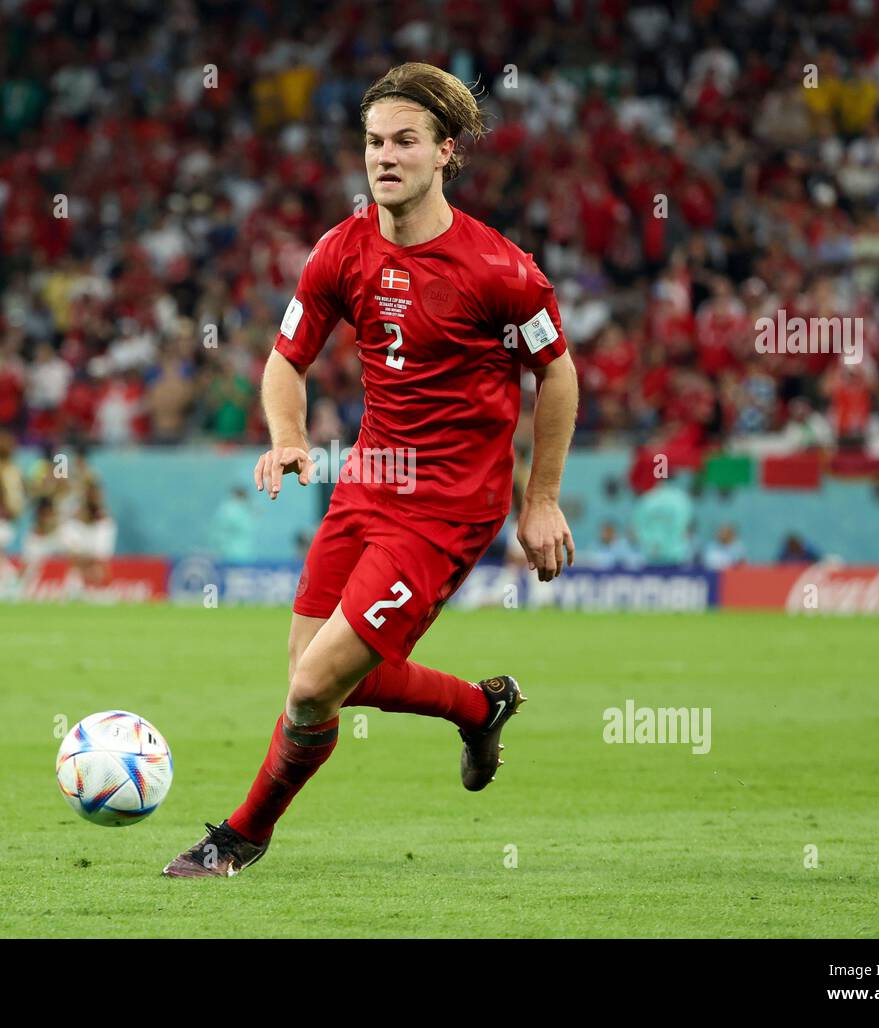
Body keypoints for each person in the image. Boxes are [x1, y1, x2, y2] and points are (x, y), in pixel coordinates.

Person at [163, 63, 579, 878]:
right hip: (364, 486)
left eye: (405, 142)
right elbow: (286, 362)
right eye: (373, 142)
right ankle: (480, 705)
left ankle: (241, 836)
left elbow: (557, 374)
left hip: (448, 510)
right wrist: (286, 435)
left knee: (315, 688)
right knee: (313, 677)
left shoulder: (500, 270)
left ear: (444, 152)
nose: (385, 157)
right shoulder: (341, 250)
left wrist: (543, 500)